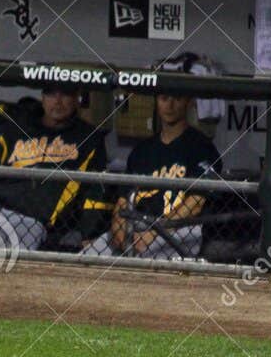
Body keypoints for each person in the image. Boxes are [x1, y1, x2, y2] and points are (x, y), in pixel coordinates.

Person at [0, 84, 107, 252]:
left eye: (65, 94)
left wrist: (87, 232)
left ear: (77, 98)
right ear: (43, 97)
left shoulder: (89, 137)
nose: (57, 101)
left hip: (32, 221)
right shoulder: (14, 127)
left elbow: (96, 192)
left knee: (5, 262)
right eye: (51, 94)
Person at [84, 92, 221, 260]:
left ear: (189, 102)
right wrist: (120, 230)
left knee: (142, 262)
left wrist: (155, 232)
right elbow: (123, 201)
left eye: (177, 98)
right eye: (164, 98)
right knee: (87, 258)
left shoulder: (202, 147)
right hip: (137, 223)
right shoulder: (142, 150)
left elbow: (196, 203)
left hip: (180, 228)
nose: (170, 105)